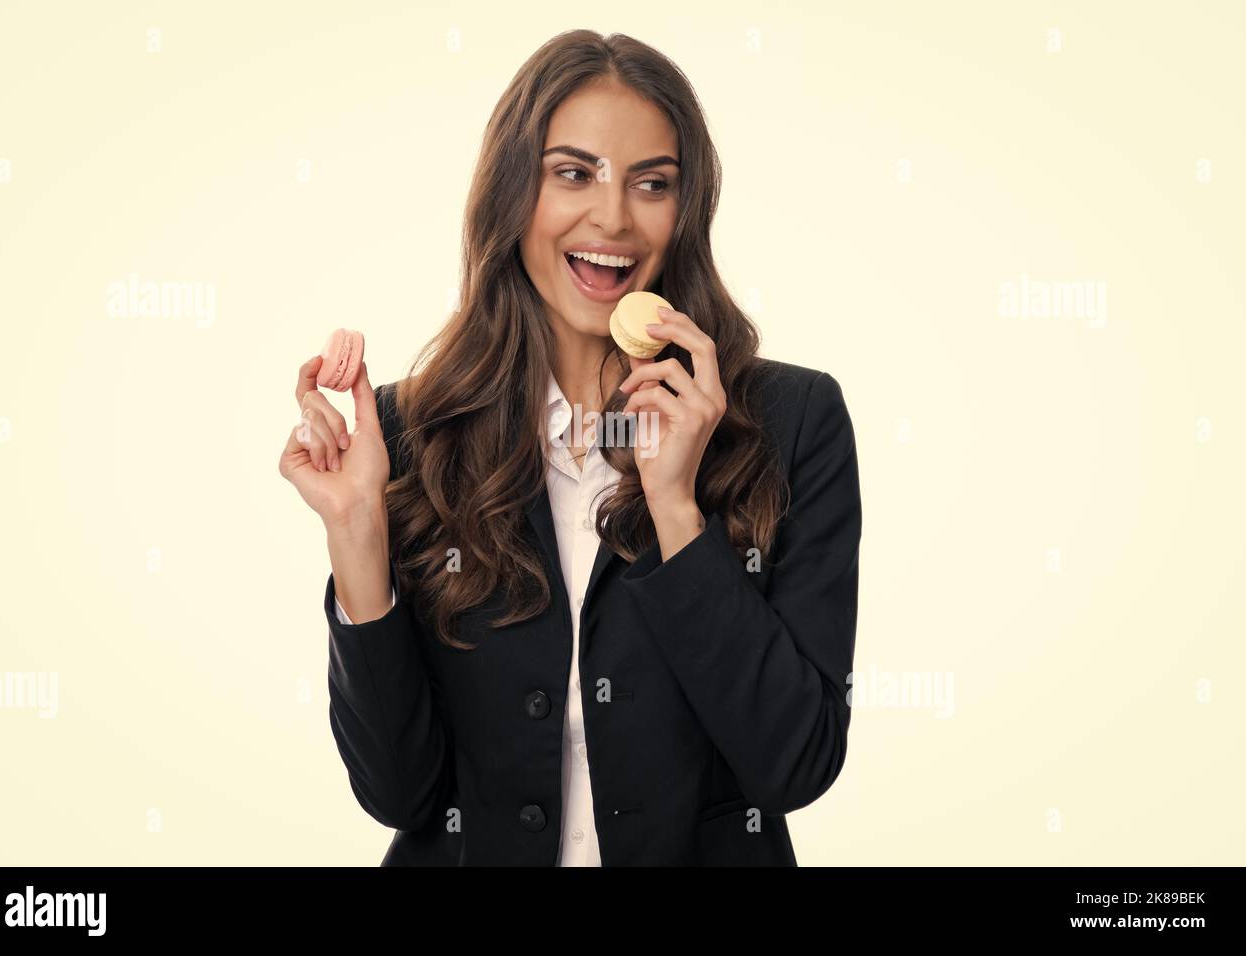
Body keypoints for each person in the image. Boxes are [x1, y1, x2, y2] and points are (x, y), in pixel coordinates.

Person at [278, 29, 862, 866]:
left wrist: (674, 507)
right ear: (515, 194)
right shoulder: (408, 432)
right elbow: (400, 793)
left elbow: (794, 764)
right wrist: (356, 531)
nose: (613, 216)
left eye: (651, 183)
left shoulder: (792, 418)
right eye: (573, 173)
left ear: (685, 209)